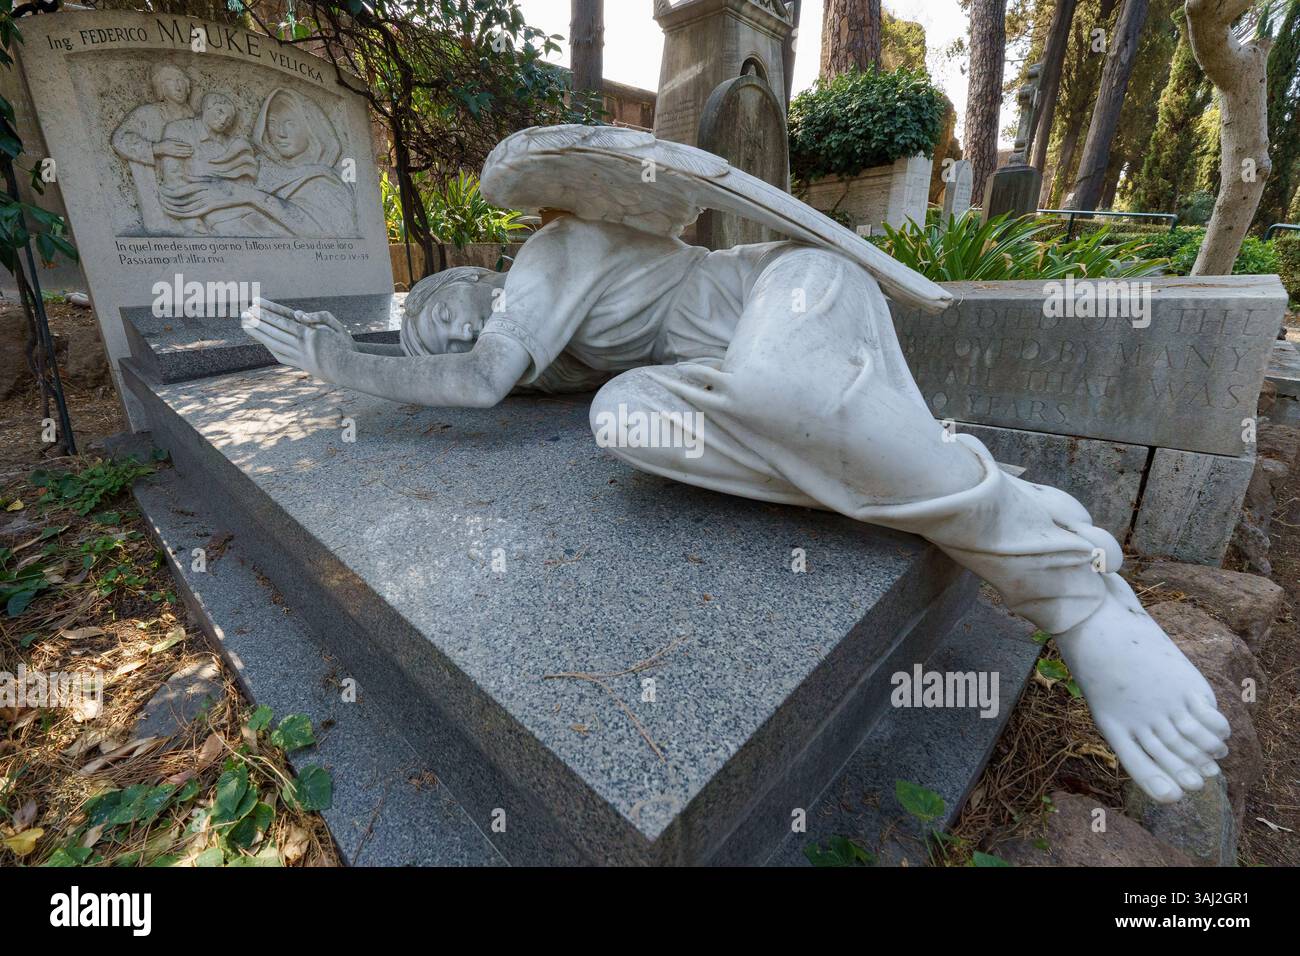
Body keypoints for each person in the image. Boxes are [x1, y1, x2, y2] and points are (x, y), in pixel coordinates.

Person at [243, 190, 1232, 810]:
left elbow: (480, 380)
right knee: (625, 421)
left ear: (476, 271)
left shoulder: (552, 250)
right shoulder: (554, 344)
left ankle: (1071, 590)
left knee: (774, 389)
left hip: (791, 294)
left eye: (445, 308)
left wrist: (345, 357)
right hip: (735, 367)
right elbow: (507, 375)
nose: (447, 330)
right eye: (432, 334)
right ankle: (962, 480)